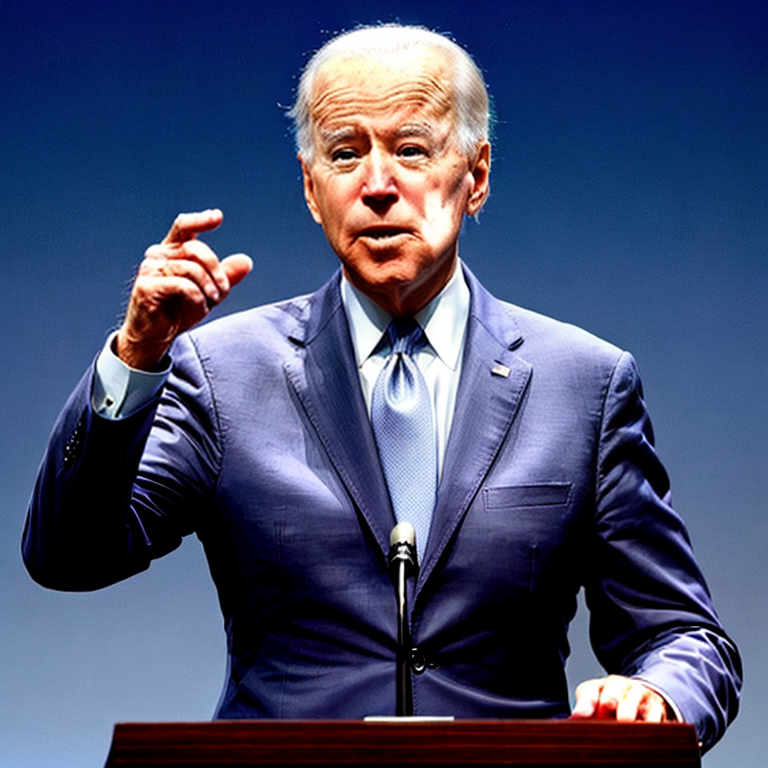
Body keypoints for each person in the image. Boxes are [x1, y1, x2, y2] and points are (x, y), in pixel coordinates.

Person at [23, 24, 740, 752]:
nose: (376, 186)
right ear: (311, 188)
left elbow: (686, 638)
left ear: (477, 175)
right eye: (345, 154)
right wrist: (139, 352)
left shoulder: (582, 385)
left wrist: (656, 692)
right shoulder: (221, 373)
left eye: (410, 150)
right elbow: (68, 555)